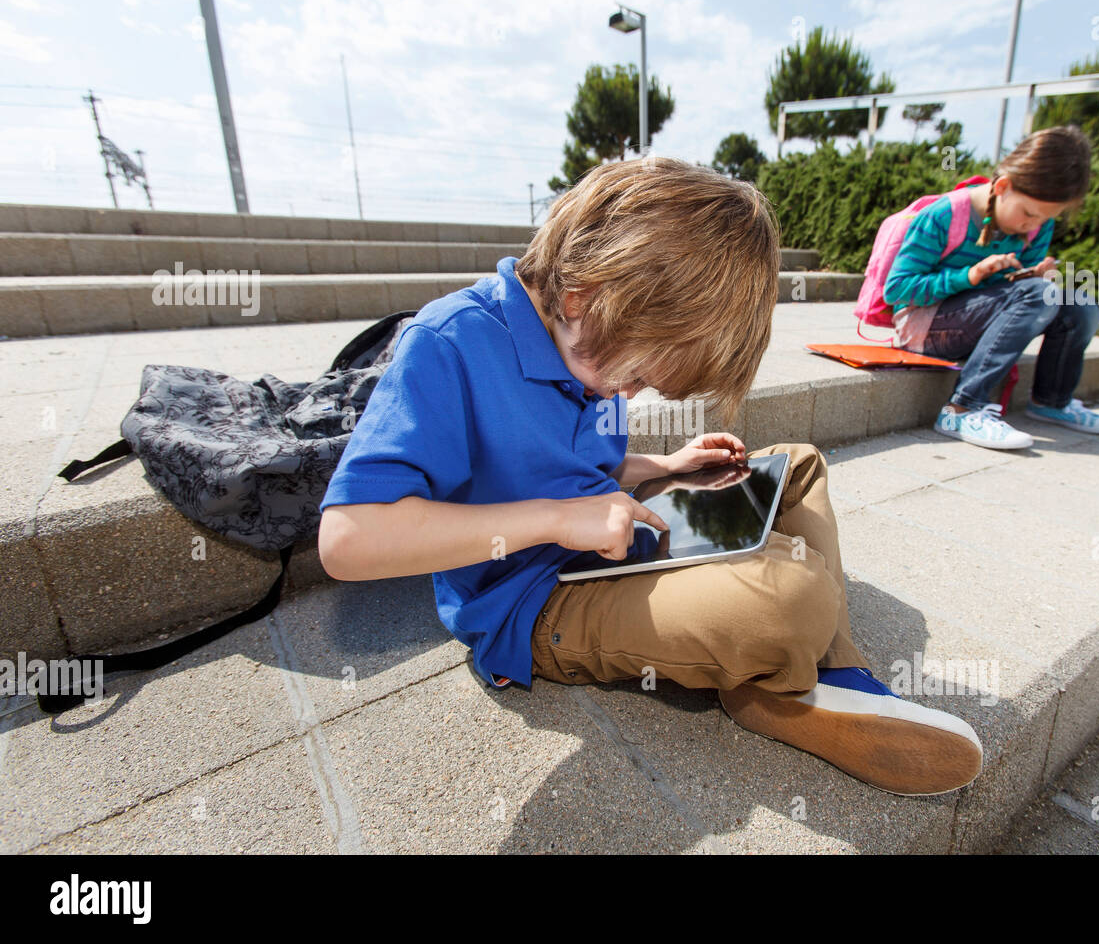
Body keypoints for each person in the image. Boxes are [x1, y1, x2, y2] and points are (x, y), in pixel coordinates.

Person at [317, 157, 982, 797]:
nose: (632, 395)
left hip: (615, 540)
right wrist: (555, 518)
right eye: (633, 377)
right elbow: (348, 540)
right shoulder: (451, 341)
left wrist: (664, 468)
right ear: (584, 294)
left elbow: (584, 468)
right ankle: (794, 678)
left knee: (798, 464)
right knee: (791, 594)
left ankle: (815, 675)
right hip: (536, 596)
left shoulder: (586, 339)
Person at [884, 125, 1099, 450]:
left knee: (1077, 303)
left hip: (982, 323)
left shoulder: (1037, 227)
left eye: (1045, 219)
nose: (1032, 226)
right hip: (925, 328)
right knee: (1039, 294)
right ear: (1004, 186)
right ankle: (962, 409)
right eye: (1028, 214)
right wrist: (970, 275)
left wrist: (1034, 276)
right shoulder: (945, 215)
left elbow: (1015, 294)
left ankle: (1052, 401)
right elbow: (897, 290)